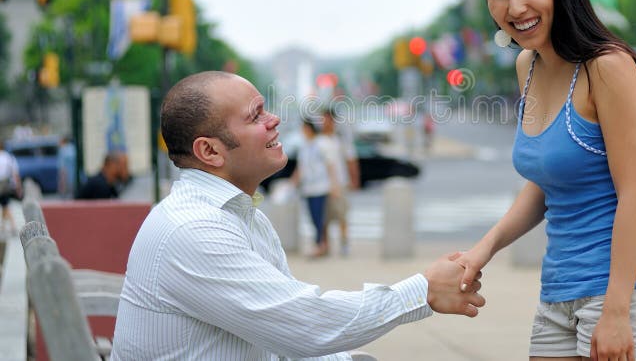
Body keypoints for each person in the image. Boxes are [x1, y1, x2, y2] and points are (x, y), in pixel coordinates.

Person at [112, 71, 485, 360]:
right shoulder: (192, 229)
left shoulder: (244, 216)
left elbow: (290, 336)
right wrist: (423, 290)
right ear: (209, 151)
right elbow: (305, 323)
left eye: (265, 108)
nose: (274, 120)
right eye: (255, 115)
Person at [456, 0, 636, 361]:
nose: (515, 6)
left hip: (630, 295)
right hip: (559, 295)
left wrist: (617, 311)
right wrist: (484, 248)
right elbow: (547, 183)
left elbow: (634, 195)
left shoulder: (608, 68)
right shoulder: (528, 66)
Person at [320, 108, 358, 256]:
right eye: (323, 119)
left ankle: (344, 243)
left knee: (342, 215)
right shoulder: (318, 139)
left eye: (327, 119)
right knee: (325, 217)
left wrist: (354, 180)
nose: (325, 123)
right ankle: (326, 245)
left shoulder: (340, 140)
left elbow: (351, 160)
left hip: (340, 183)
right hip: (322, 185)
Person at [291, 119, 331, 258]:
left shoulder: (320, 144)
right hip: (308, 188)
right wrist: (293, 182)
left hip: (321, 187)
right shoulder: (304, 146)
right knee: (313, 217)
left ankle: (320, 245)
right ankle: (321, 244)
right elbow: (300, 167)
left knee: (319, 216)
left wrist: (334, 185)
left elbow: (329, 165)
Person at [0, 139, 22, 236]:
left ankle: (12, 226)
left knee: (4, 205)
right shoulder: (9, 157)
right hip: (6, 184)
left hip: (2, 184)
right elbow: (15, 173)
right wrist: (18, 186)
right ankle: (4, 226)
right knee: (5, 204)